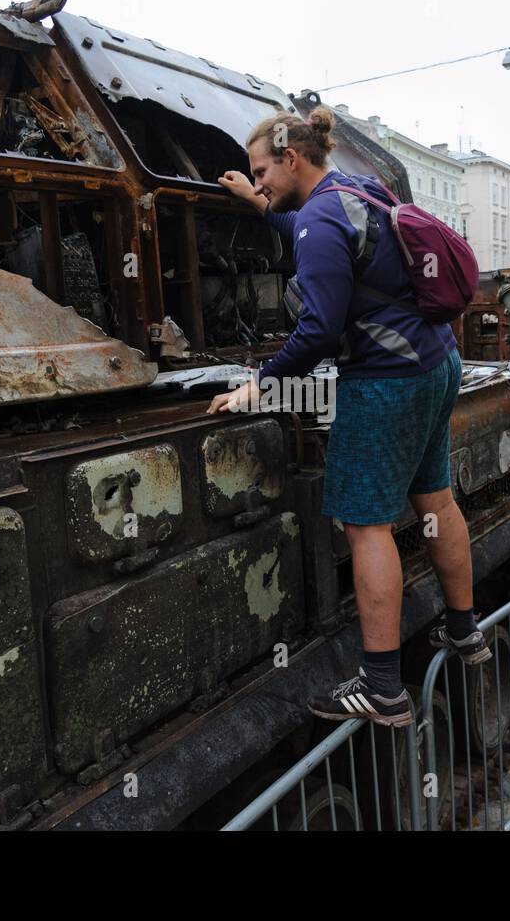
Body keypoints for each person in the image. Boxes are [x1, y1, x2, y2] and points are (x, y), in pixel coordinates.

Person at [212, 107, 482, 727]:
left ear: (292, 159)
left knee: (366, 527)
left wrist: (259, 386)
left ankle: (382, 685)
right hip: (438, 362)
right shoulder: (359, 187)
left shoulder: (318, 221)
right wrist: (257, 206)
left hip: (386, 382)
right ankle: (464, 632)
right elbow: (307, 222)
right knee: (436, 503)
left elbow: (317, 331)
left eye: (261, 172)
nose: (258, 183)